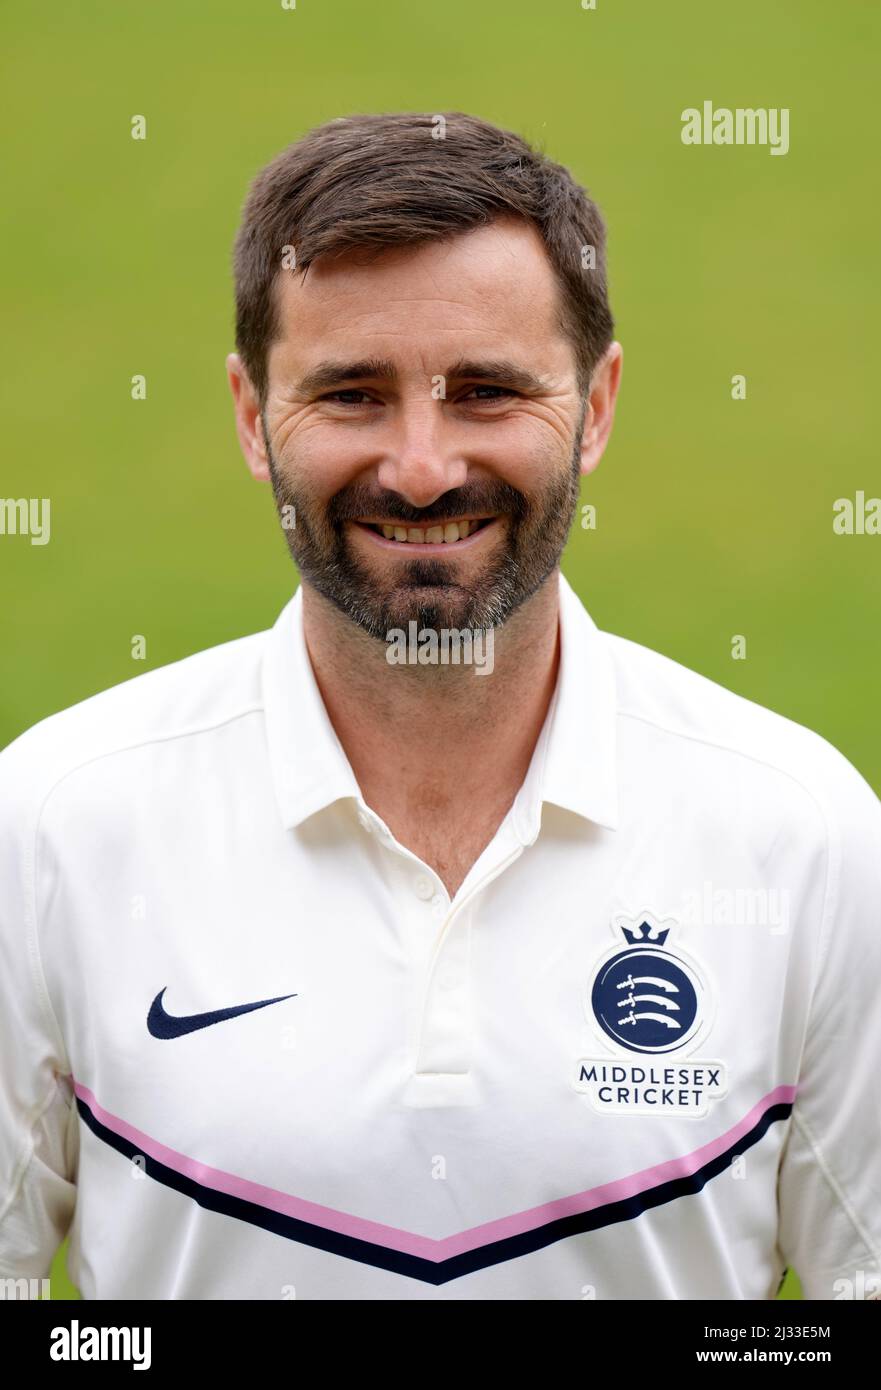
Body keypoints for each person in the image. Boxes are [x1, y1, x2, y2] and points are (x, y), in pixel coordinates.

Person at [1, 112, 879, 1301]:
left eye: (485, 392)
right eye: (352, 394)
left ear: (599, 405)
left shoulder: (807, 836)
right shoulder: (52, 823)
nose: (420, 467)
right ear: (254, 416)